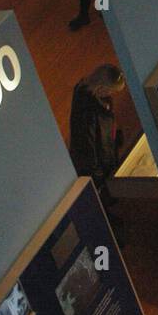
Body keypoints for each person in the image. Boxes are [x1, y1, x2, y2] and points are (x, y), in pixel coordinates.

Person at [68, 64, 126, 208]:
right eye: (112, 90)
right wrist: (98, 176)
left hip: (103, 159)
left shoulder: (96, 97)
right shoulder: (87, 108)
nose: (112, 94)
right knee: (100, 201)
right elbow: (87, 145)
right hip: (96, 167)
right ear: (103, 87)